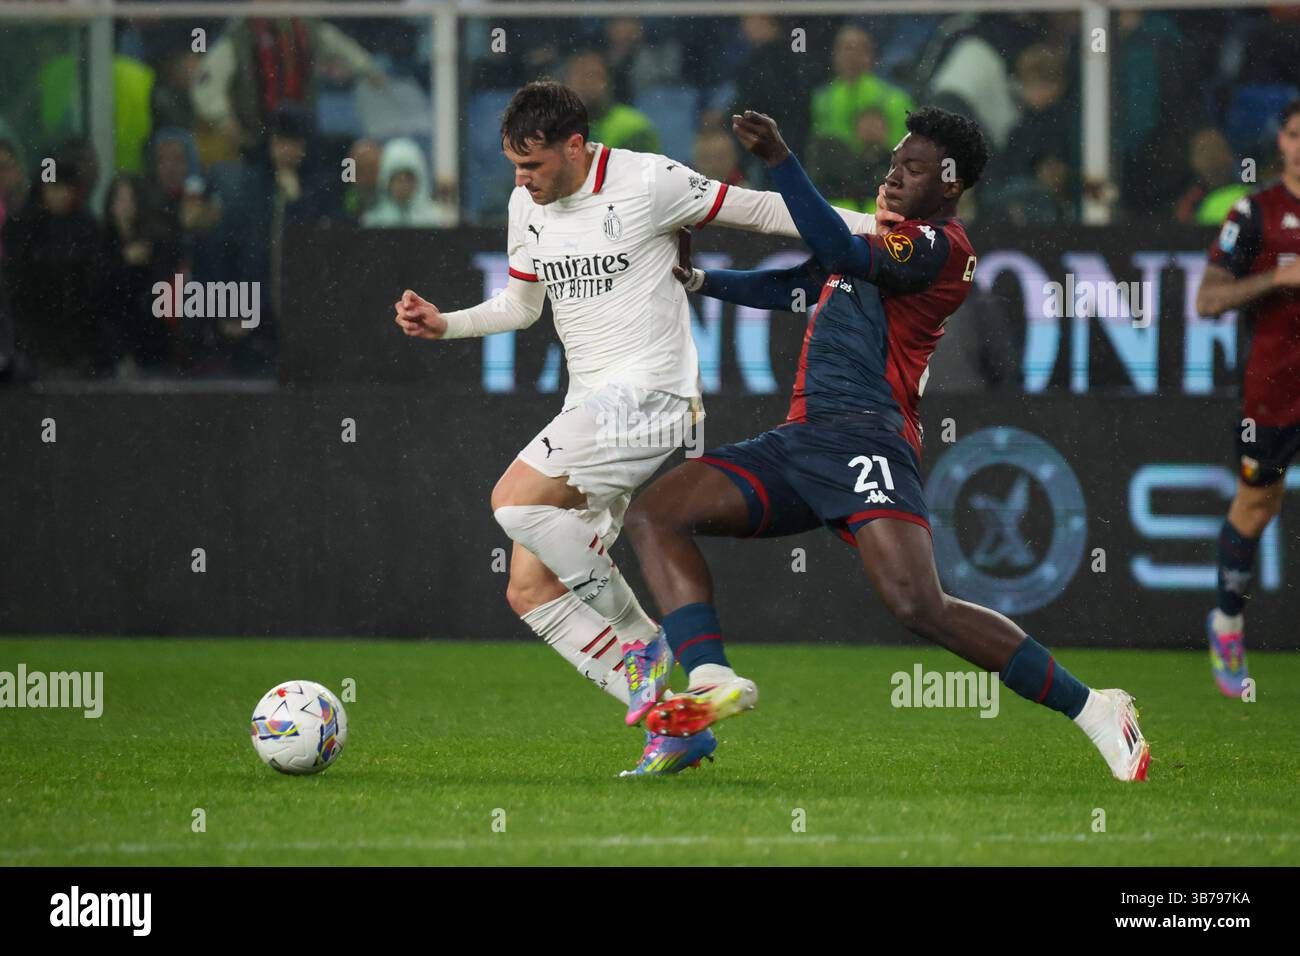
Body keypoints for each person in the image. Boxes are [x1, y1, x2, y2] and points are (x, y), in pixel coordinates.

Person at [623, 107, 1152, 783]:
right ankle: (711, 676)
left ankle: (1094, 708)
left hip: (867, 437)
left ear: (951, 184)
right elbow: (802, 284)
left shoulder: (941, 247)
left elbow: (840, 255)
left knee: (918, 607)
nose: (895, 176)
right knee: (655, 513)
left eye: (914, 168)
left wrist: (781, 159)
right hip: (800, 439)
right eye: (894, 163)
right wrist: (699, 282)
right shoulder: (881, 236)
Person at [392, 80, 882, 775]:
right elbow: (522, 306)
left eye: (532, 166)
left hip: (653, 398)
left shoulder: (649, 181)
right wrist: (447, 325)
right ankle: (672, 726)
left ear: (574, 145)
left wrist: (884, 232)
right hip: (589, 407)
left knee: (513, 501)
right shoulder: (524, 205)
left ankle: (641, 641)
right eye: (513, 167)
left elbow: (766, 212)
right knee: (528, 588)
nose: (522, 180)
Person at [1194, 98, 1300, 698]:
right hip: (1276, 388)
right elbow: (1207, 300)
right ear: (1280, 142)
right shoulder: (1255, 213)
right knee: (1258, 506)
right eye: (1294, 134)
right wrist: (1276, 278)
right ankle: (1227, 623)